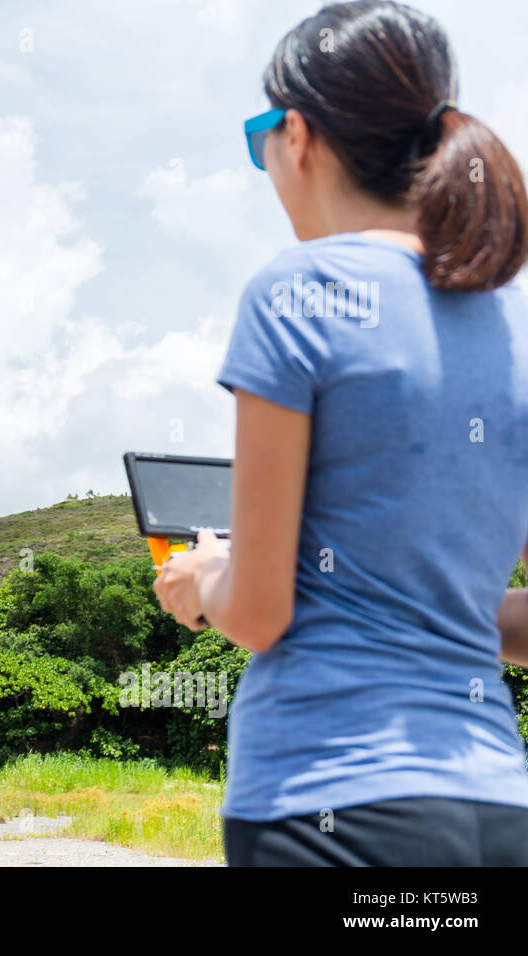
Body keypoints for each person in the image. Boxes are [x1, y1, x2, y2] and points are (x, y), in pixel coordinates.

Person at [153, 0, 528, 866]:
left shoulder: (299, 294)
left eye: (262, 138)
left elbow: (258, 610)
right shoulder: (512, 321)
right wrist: (447, 610)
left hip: (329, 802)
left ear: (301, 135)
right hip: (492, 810)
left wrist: (207, 577)